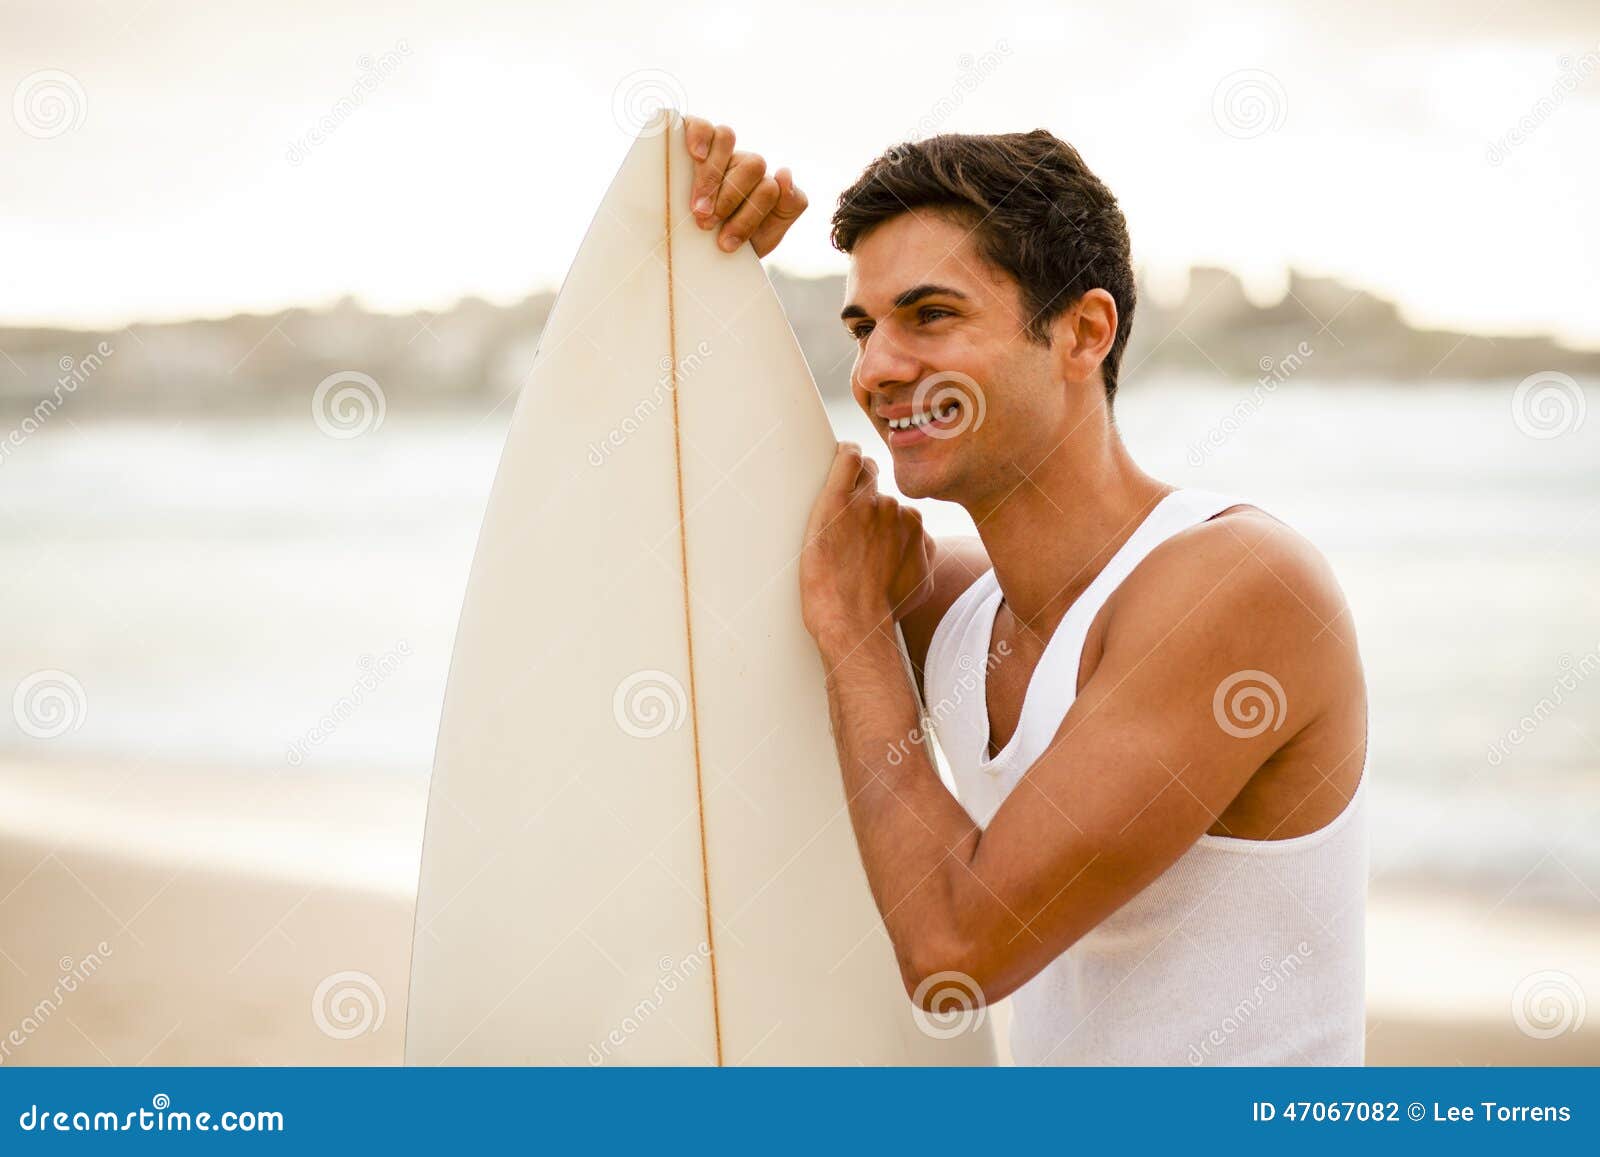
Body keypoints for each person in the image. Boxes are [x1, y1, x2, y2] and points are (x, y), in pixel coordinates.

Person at [682, 114, 1369, 1066]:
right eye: (864, 328)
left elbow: (954, 951)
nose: (876, 370)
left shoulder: (1239, 584)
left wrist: (856, 632)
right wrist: (700, 255)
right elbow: (697, 543)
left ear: (1083, 332)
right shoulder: (957, 609)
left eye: (930, 315)